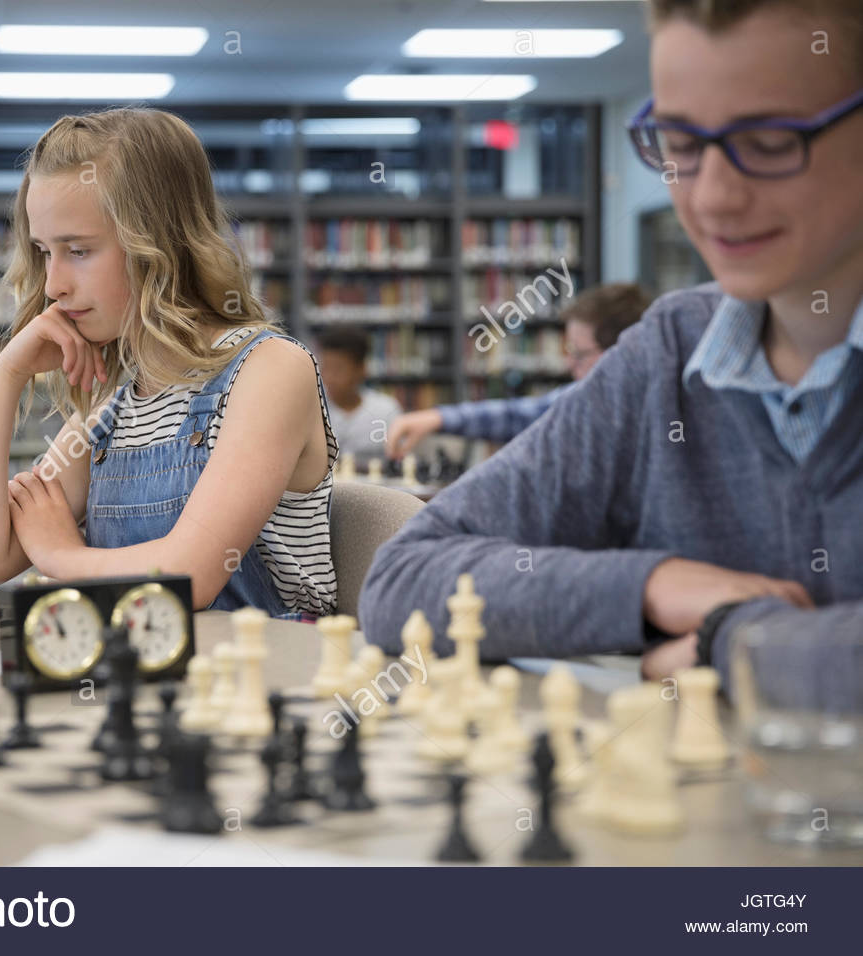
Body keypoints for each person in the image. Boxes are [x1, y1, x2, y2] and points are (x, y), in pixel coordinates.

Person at [360, 0, 863, 689]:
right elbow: (402, 580)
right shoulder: (668, 351)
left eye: (771, 140)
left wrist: (728, 643)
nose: (713, 197)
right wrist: (652, 584)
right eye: (681, 143)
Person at [0, 108, 338, 617]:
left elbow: (189, 578)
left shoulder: (270, 370)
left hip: (264, 662)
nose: (53, 285)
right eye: (44, 252)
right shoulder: (113, 408)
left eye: (78, 251)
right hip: (151, 660)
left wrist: (61, 555)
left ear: (157, 244)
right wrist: (6, 377)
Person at [386, 283, 650, 455]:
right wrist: (438, 418)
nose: (569, 363)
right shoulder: (587, 399)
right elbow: (520, 417)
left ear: (620, 353)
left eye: (579, 354)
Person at [316, 325, 404, 461]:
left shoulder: (387, 411)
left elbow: (399, 458)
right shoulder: (313, 410)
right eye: (325, 368)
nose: (329, 377)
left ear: (362, 369)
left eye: (338, 369)